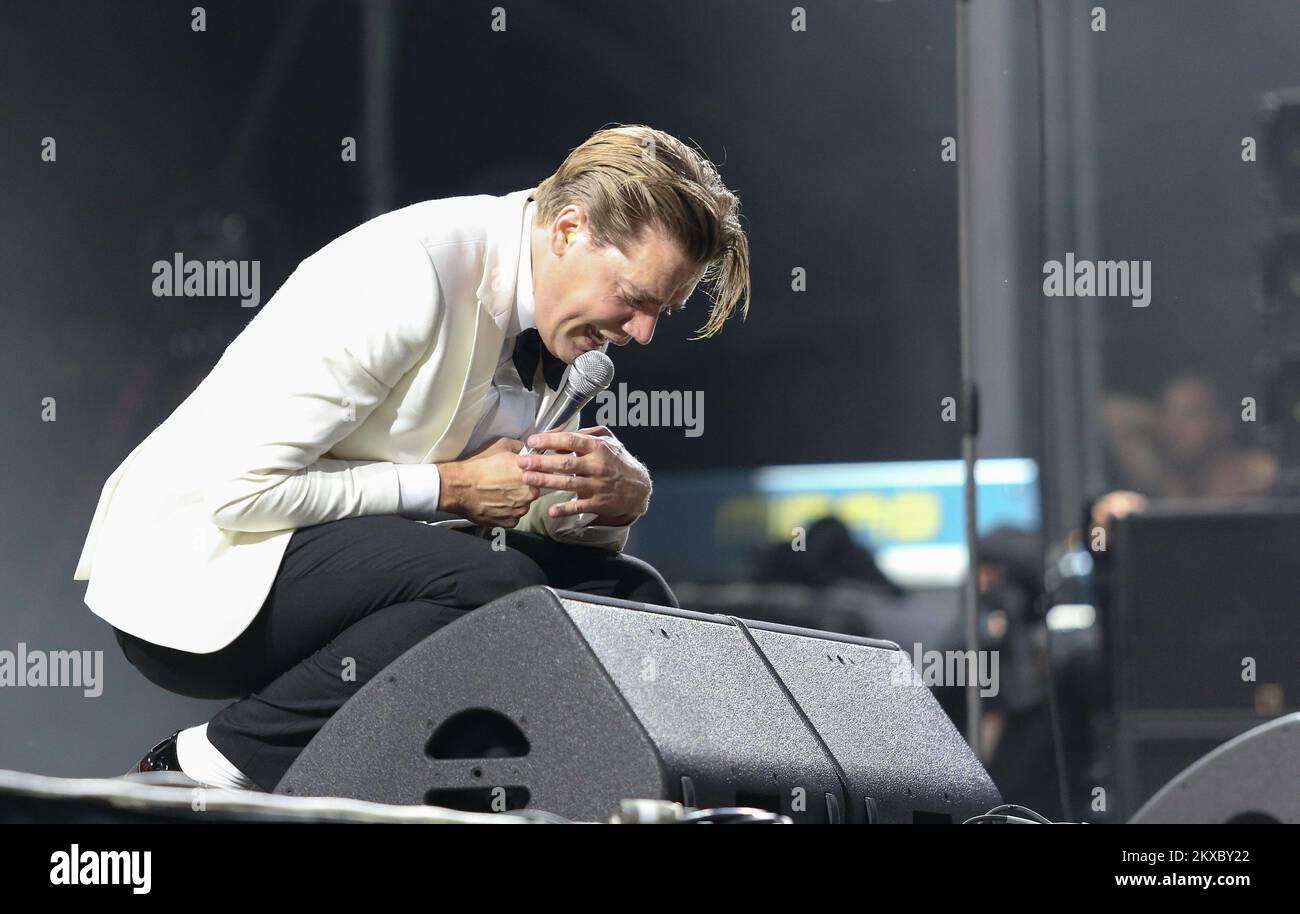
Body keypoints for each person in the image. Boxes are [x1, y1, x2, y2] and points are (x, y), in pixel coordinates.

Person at [72, 124, 751, 793]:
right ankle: (207, 764)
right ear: (569, 230)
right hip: (198, 571)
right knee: (496, 590)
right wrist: (447, 488)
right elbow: (239, 492)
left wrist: (607, 501)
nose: (642, 332)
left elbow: (498, 505)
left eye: (661, 310)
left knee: (628, 602)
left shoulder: (561, 324)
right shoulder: (413, 269)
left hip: (342, 564)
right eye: (635, 300)